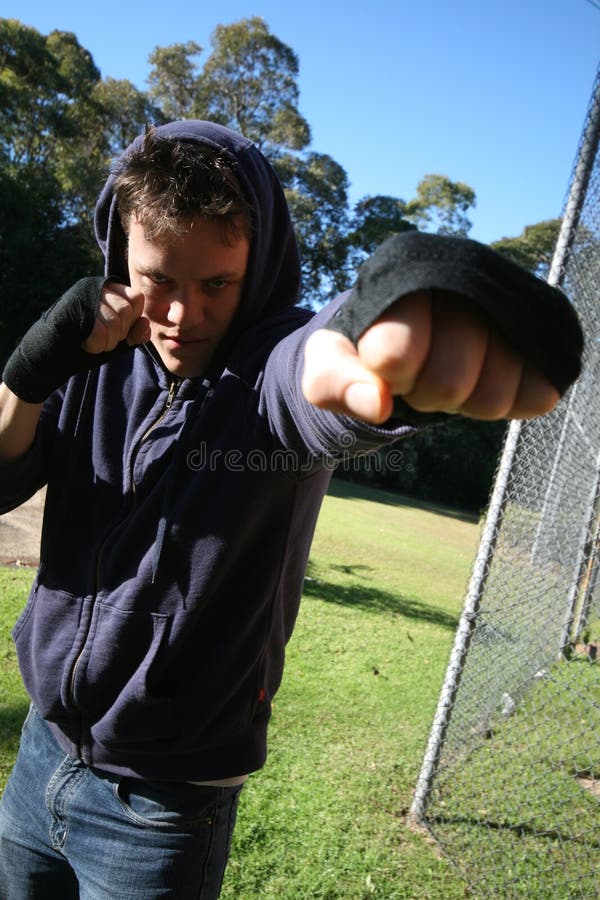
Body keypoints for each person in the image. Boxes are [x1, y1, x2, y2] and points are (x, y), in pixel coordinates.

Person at [0, 120, 582, 899]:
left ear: (259, 266)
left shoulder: (268, 368)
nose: (182, 315)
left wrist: (376, 324)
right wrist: (33, 369)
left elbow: (306, 374)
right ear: (119, 260)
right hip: (39, 750)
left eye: (217, 284)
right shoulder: (90, 357)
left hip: (163, 805)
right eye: (158, 279)